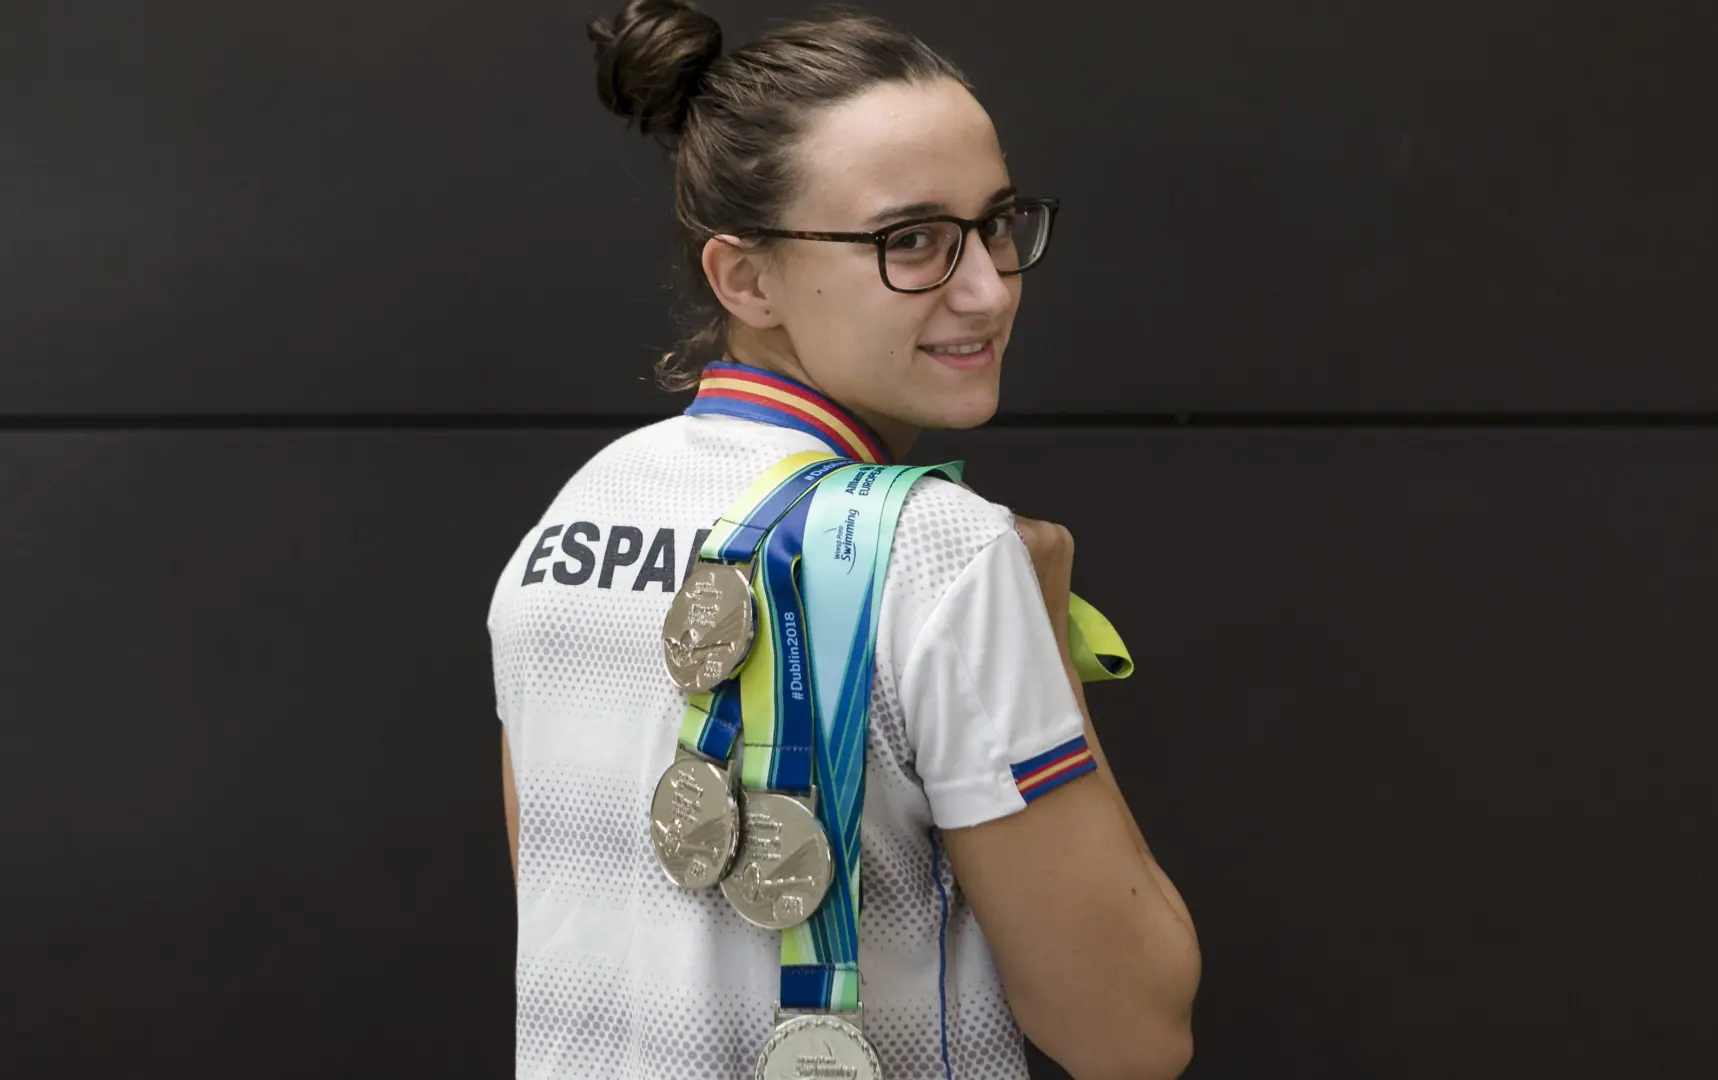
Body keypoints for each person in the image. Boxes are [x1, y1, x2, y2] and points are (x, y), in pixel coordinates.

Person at [485, 3, 1201, 1077]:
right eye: (910, 240)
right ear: (745, 279)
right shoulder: (941, 549)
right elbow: (1131, 1034)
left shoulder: (568, 520)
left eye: (997, 223)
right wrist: (1043, 635)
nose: (987, 288)